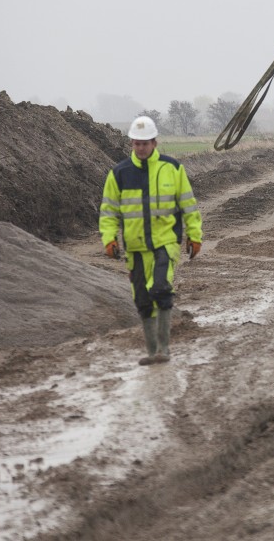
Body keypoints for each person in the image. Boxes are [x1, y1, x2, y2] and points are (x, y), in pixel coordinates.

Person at [99, 116, 203, 366]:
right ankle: (152, 350)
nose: (141, 148)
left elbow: (188, 206)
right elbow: (109, 211)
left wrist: (194, 235)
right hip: (135, 248)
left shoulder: (173, 169)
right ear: (132, 144)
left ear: (155, 143)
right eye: (137, 143)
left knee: (161, 289)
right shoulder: (119, 173)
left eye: (145, 143)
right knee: (143, 300)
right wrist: (109, 238)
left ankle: (163, 351)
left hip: (165, 243)